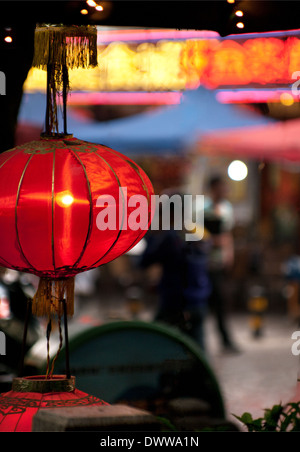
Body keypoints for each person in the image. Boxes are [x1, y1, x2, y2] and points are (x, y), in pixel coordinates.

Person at [140, 198, 211, 353]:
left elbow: (144, 261)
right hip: (199, 299)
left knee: (155, 345)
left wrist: (152, 234)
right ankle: (203, 376)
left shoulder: (170, 237)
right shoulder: (198, 231)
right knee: (197, 350)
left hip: (175, 303)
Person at [204, 175, 240, 353]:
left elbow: (228, 234)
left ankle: (225, 340)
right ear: (212, 188)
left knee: (220, 300)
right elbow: (193, 232)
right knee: (204, 301)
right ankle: (198, 340)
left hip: (219, 263)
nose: (223, 191)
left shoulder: (226, 209)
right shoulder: (200, 208)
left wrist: (229, 253)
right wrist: (211, 241)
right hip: (203, 262)